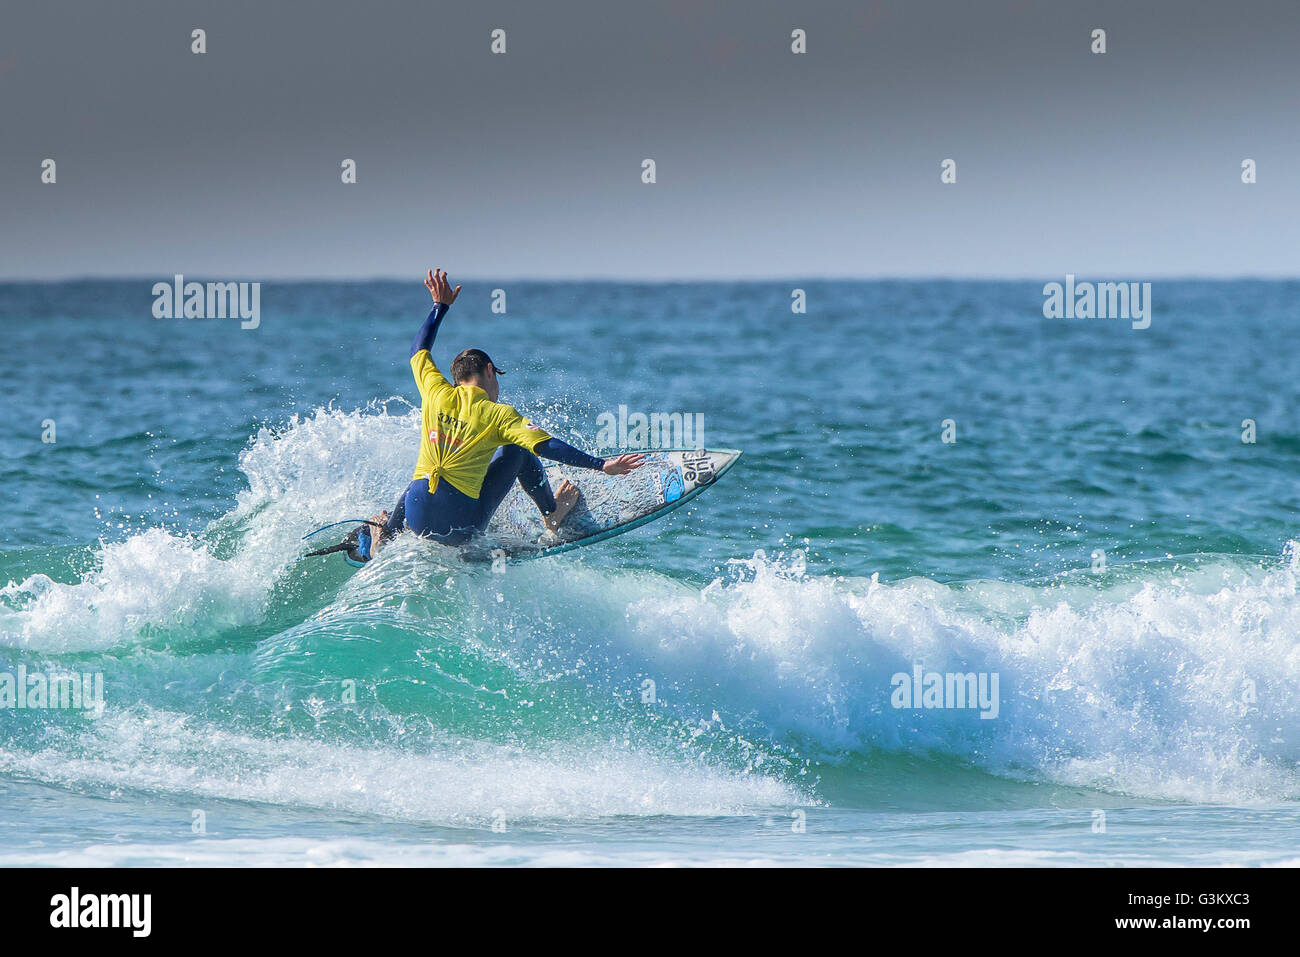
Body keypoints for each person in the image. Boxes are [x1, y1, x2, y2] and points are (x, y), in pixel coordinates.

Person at [343, 269, 644, 561]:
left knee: (421, 480)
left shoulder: (435, 391)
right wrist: (602, 464)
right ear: (489, 371)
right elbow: (545, 445)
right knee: (517, 450)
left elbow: (417, 349)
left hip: (418, 520)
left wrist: (440, 306)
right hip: (458, 531)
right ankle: (552, 513)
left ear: (456, 378)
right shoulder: (498, 414)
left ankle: (389, 535)